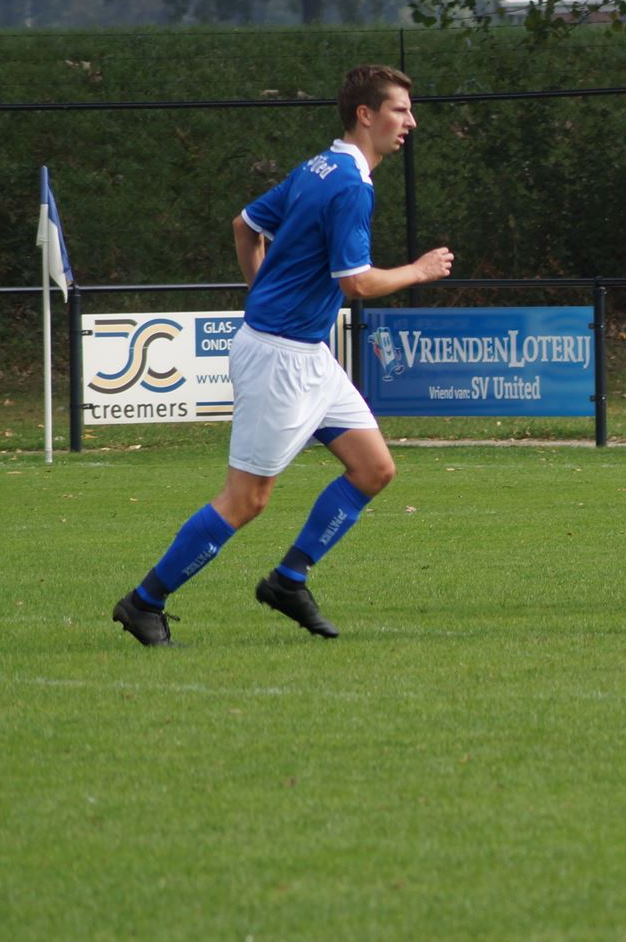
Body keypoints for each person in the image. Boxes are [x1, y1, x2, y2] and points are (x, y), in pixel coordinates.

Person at [112, 64, 454, 646]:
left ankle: (288, 581)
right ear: (365, 114)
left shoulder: (319, 166)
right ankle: (144, 602)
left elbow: (245, 226)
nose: (411, 122)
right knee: (246, 500)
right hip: (279, 358)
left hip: (306, 353)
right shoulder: (349, 184)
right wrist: (418, 271)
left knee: (373, 469)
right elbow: (355, 282)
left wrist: (263, 292)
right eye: (400, 109)